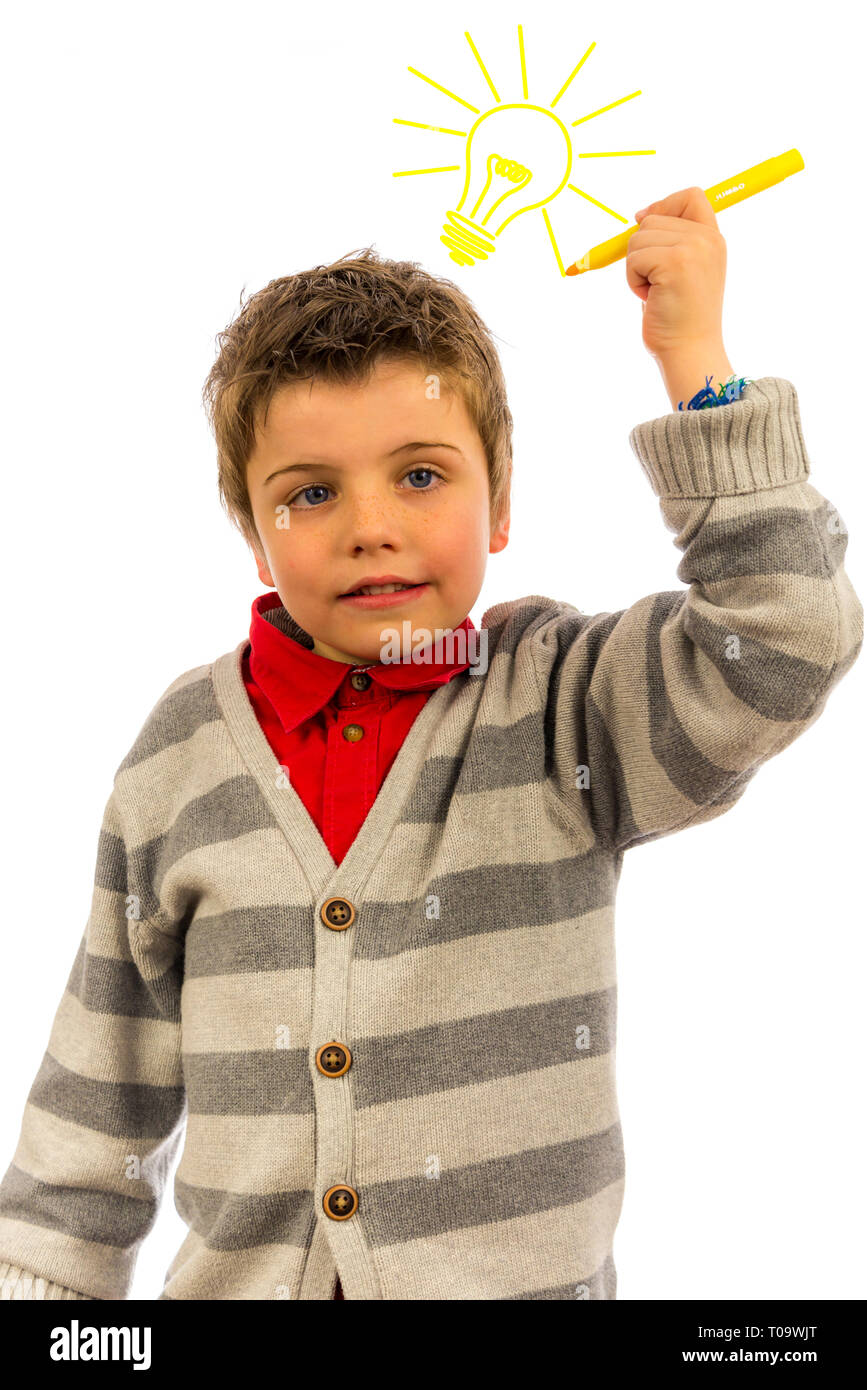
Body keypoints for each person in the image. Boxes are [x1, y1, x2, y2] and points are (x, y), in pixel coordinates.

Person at [0, 189, 861, 1299]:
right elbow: (90, 1125)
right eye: (310, 492)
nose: (372, 525)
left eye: (421, 474)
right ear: (256, 536)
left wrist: (697, 360)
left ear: (499, 503)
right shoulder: (180, 755)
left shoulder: (563, 707)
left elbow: (786, 641)